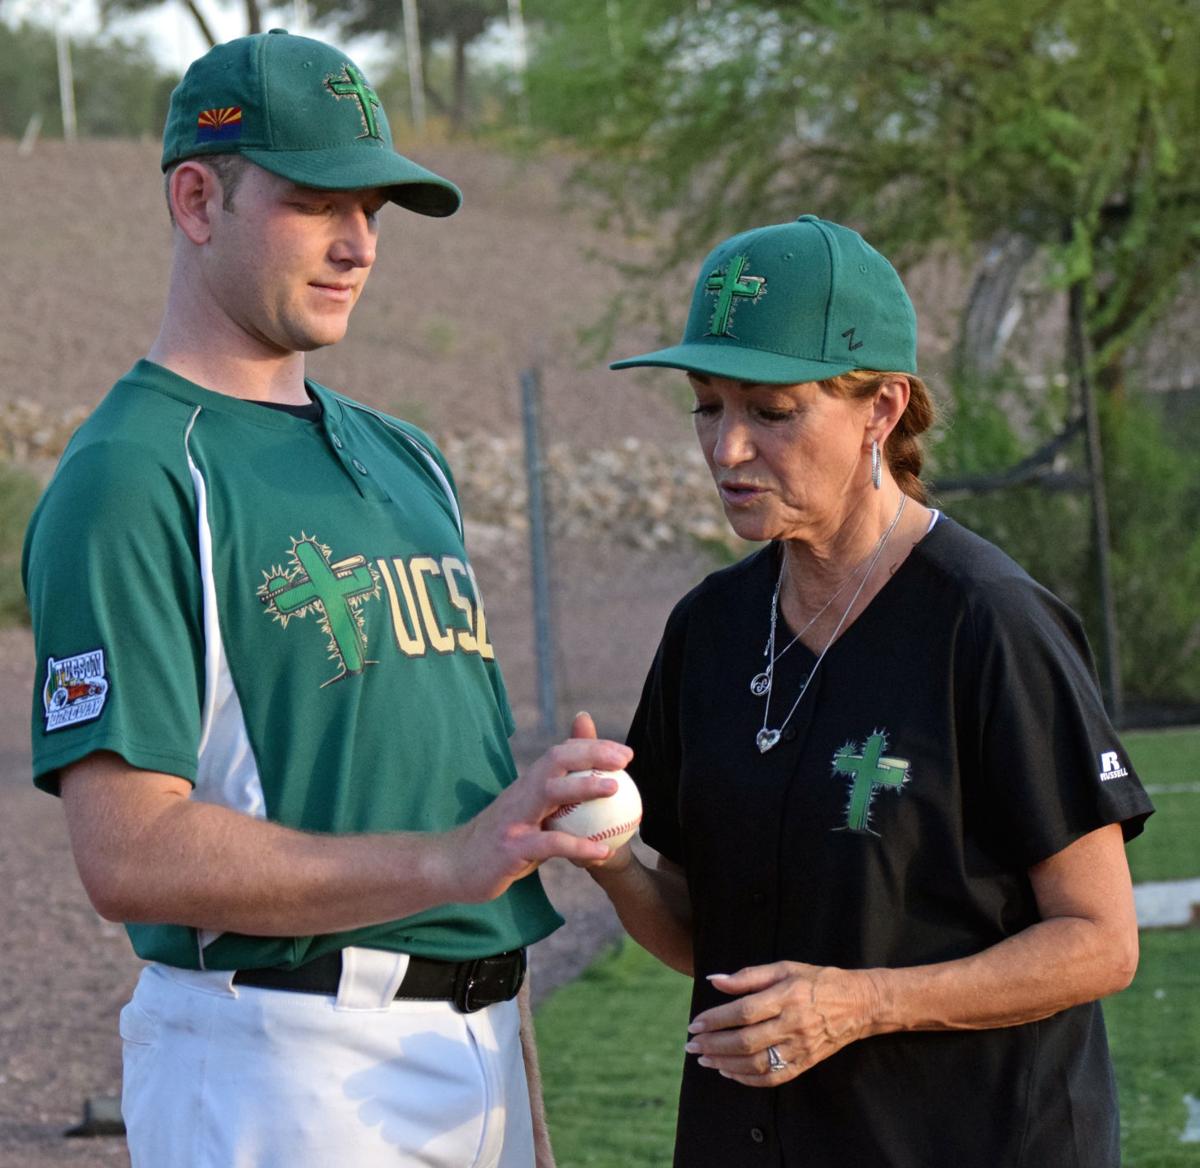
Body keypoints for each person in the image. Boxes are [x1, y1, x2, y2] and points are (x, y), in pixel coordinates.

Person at [22, 30, 631, 1168]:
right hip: (283, 1061)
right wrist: (449, 860)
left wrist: (510, 840)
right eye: (316, 202)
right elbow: (130, 854)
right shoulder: (135, 473)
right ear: (199, 200)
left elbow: (445, 813)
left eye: (376, 210)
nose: (358, 244)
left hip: (482, 1039)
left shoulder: (411, 460)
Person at [591, 214, 1154, 1166]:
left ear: (882, 411)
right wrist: (610, 861)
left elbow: (1101, 941)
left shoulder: (989, 621)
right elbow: (706, 939)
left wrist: (861, 1004)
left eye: (771, 412)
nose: (726, 450)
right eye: (706, 405)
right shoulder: (710, 630)